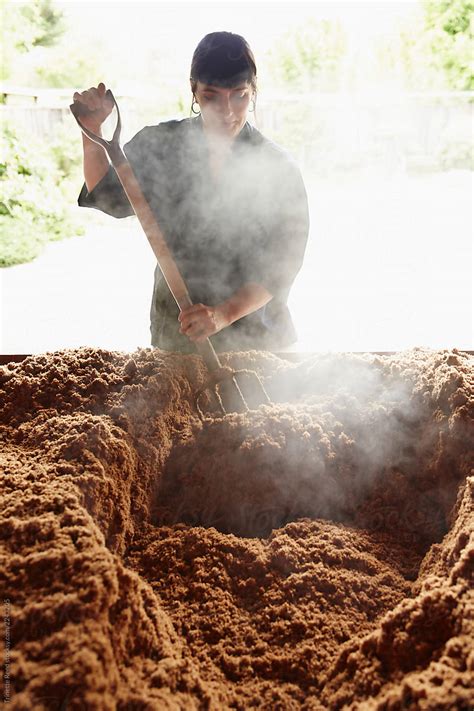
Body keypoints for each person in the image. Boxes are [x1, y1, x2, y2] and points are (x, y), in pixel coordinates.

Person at [73, 31, 309, 353]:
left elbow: (282, 262)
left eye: (239, 96)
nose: (227, 112)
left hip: (258, 341)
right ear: (194, 92)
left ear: (253, 92)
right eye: (212, 96)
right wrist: (92, 134)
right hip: (177, 333)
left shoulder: (276, 167)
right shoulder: (162, 146)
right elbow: (106, 194)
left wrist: (222, 315)